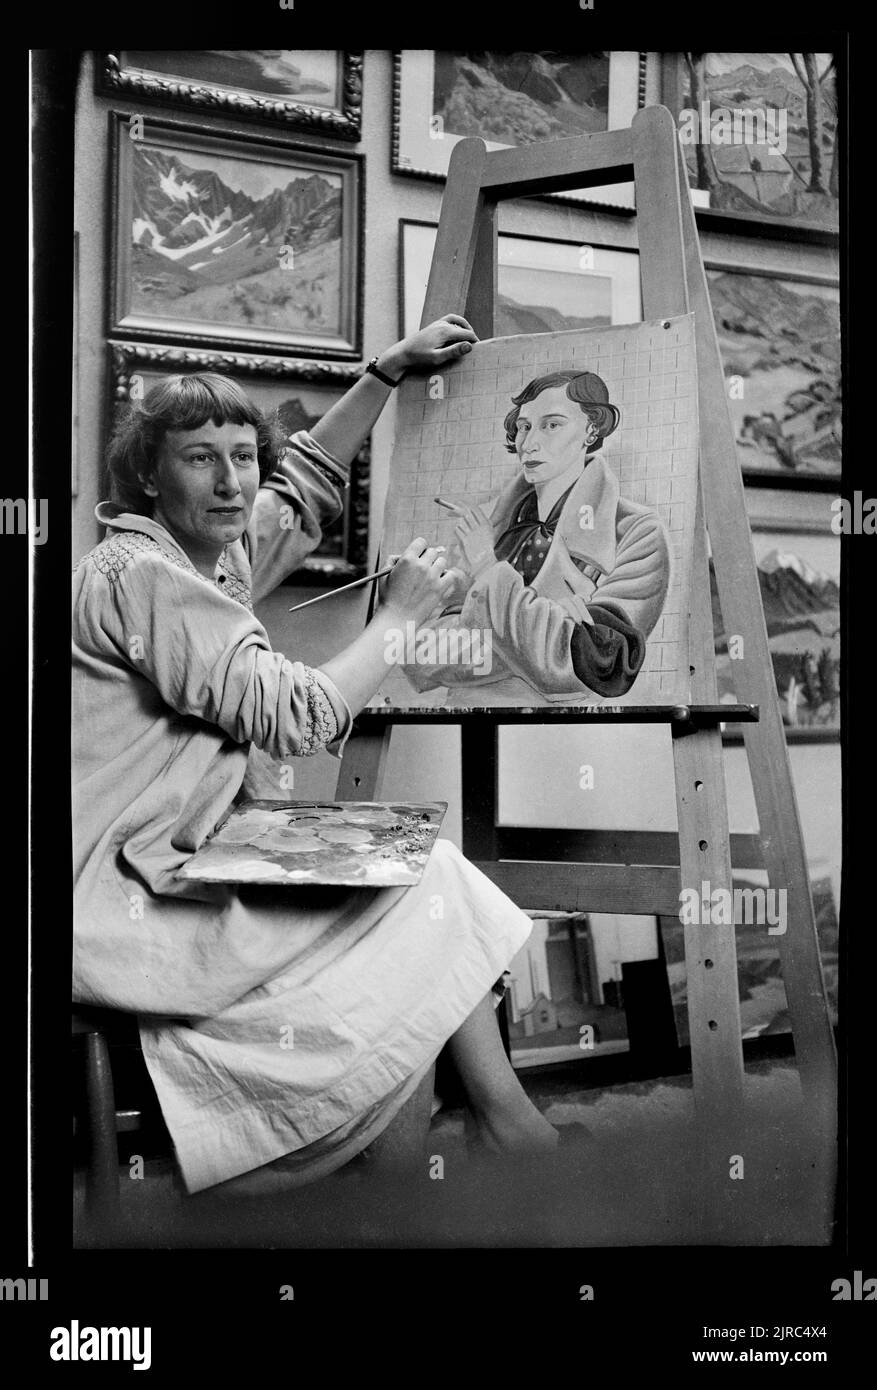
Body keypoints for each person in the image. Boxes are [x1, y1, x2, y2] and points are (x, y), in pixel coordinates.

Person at [72, 314, 559, 1198]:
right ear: (147, 472)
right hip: (121, 894)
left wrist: (381, 372)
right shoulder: (140, 575)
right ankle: (500, 1122)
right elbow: (292, 714)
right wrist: (400, 621)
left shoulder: (204, 553)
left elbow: (301, 489)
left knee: (415, 870)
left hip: (188, 859)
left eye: (240, 455)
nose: (231, 482)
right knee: (427, 887)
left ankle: (468, 1134)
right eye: (199, 458)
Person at [398, 370, 671, 705]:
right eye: (524, 427)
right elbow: (419, 657)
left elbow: (590, 663)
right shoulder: (482, 525)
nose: (528, 443)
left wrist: (487, 570)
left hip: (577, 738)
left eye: (551, 425)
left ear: (592, 429)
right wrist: (542, 628)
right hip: (466, 725)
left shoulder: (636, 532)